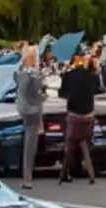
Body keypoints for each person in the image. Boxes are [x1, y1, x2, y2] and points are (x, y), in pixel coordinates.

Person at [58, 51, 100, 184]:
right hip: (88, 116)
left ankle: (67, 170)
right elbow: (98, 89)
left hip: (74, 115)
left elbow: (63, 94)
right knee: (84, 142)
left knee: (69, 141)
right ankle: (87, 169)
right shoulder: (92, 76)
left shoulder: (68, 75)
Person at [14, 47, 48, 190]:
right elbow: (36, 94)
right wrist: (44, 95)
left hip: (23, 109)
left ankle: (27, 175)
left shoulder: (19, 73)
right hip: (33, 110)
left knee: (28, 143)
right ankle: (28, 178)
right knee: (30, 145)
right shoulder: (34, 76)